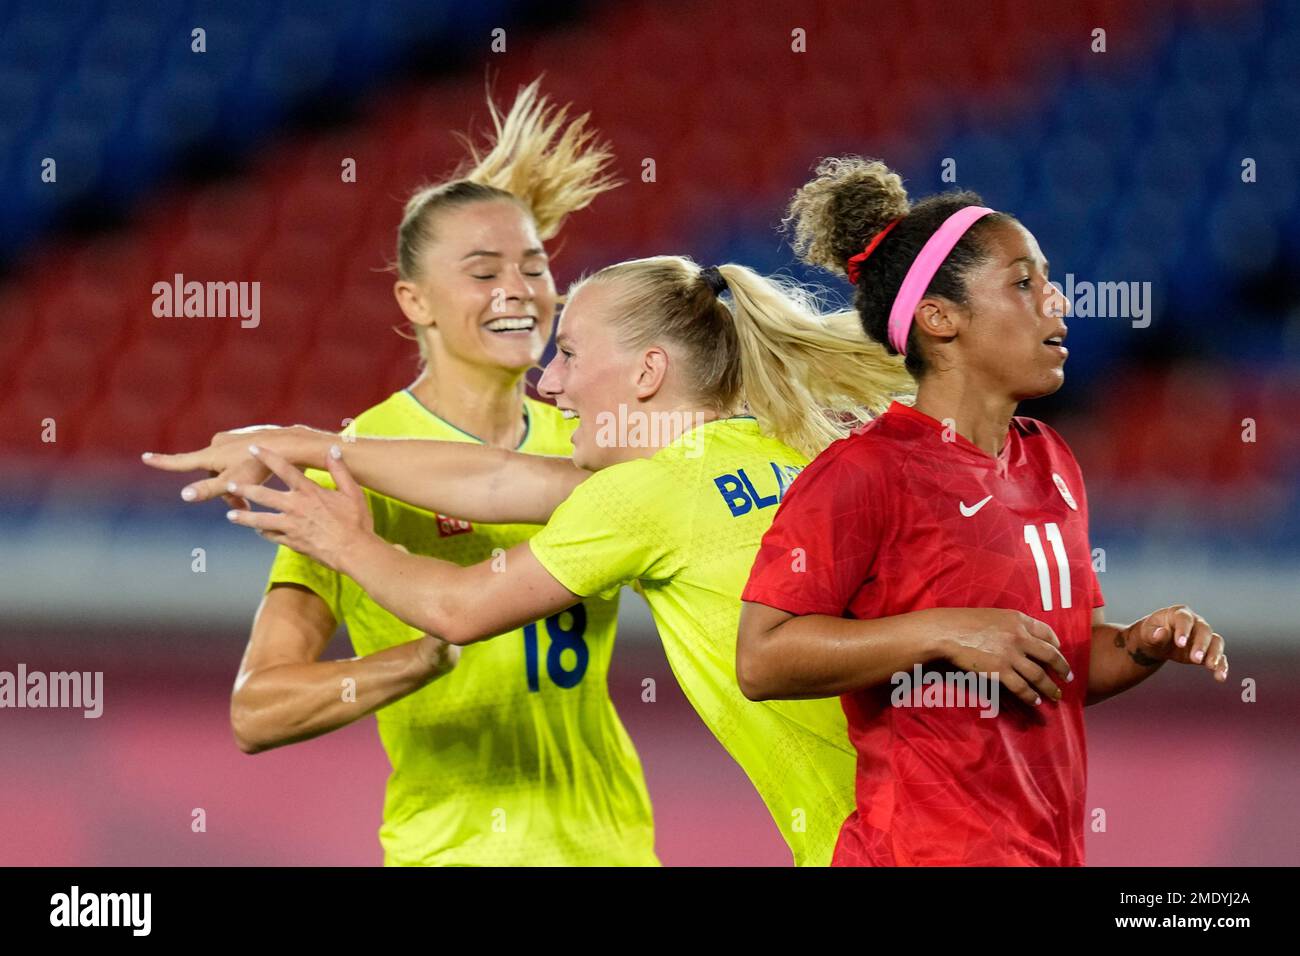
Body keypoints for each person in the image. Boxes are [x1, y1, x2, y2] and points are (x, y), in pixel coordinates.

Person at [143, 254, 915, 866]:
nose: (551, 383)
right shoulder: (777, 447)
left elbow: (459, 608)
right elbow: (495, 478)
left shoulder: (646, 495)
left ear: (647, 373)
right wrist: (305, 442)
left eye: (572, 354)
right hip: (950, 806)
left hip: (886, 840)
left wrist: (339, 537)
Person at [178, 79, 661, 866]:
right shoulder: (354, 467)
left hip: (613, 849)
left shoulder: (589, 439)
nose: (518, 291)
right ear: (416, 302)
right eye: (483, 271)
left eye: (534, 267)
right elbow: (256, 712)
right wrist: (417, 658)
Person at [735, 156, 1229, 866]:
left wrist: (1141, 645)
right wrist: (941, 632)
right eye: (1024, 284)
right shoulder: (865, 472)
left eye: (1049, 282)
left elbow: (1059, 671)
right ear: (940, 319)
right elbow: (761, 658)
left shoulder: (1050, 459)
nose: (1057, 303)